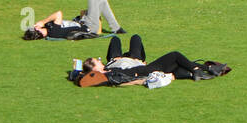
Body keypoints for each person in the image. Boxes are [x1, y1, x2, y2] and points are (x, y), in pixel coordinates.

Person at [75, 34, 208, 86]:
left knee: (116, 39)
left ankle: (197, 71)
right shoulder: (106, 74)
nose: (99, 60)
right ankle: (197, 70)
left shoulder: (105, 71)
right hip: (136, 63)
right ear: (94, 68)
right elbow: (84, 81)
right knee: (174, 55)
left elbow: (76, 75)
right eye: (97, 61)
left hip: (120, 61)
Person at [23, 0, 124, 40]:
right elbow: (58, 13)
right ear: (38, 31)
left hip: (83, 21)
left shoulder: (49, 28)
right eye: (34, 27)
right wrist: (42, 22)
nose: (35, 25)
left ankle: (116, 28)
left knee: (102, 2)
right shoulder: (53, 31)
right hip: (89, 26)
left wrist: (44, 24)